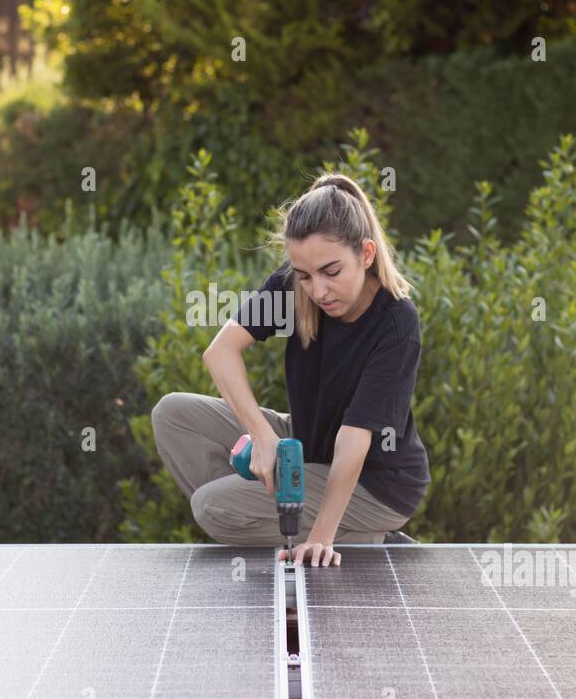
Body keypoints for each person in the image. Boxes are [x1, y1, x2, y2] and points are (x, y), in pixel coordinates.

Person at [151, 173, 430, 567]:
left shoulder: (396, 322)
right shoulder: (292, 289)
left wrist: (322, 536)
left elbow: (354, 439)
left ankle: (368, 538)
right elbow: (221, 352)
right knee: (173, 415)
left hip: (375, 485)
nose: (317, 291)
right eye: (305, 275)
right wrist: (261, 435)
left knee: (213, 508)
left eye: (331, 272)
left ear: (366, 255)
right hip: (308, 445)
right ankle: (275, 518)